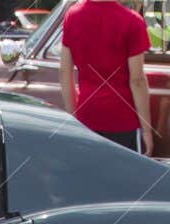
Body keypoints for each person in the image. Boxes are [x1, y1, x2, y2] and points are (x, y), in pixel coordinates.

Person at [59, 0, 155, 153]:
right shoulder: (132, 20)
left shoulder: (72, 15)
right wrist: (147, 130)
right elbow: (137, 81)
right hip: (123, 120)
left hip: (87, 115)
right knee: (124, 176)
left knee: (89, 175)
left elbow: (65, 72)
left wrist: (73, 119)